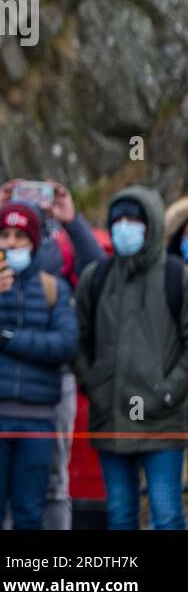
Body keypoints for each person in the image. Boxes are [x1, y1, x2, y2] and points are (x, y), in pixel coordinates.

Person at [74, 187, 188, 530]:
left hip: (163, 424)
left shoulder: (176, 276)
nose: (125, 227)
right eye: (118, 220)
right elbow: (77, 339)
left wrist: (168, 392)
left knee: (167, 516)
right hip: (111, 419)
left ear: (150, 225)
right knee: (120, 516)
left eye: (134, 220)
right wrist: (93, 384)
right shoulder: (97, 277)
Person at [0, 201, 78, 530]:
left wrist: (6, 338)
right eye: (4, 235)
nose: (11, 243)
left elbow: (65, 345)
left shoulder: (54, 288)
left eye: (20, 236)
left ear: (34, 243)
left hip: (37, 419)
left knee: (29, 514)